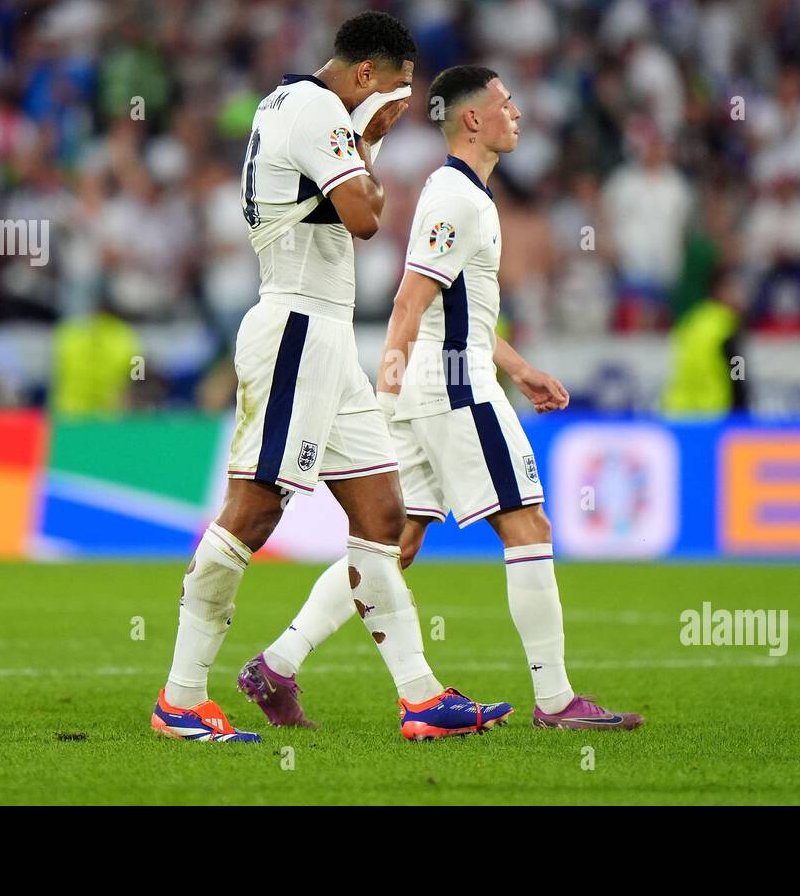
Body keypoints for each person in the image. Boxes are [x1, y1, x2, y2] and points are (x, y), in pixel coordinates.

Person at [237, 66, 644, 732]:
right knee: (528, 525)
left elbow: (455, 312)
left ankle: (278, 662)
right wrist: (386, 391)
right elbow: (409, 301)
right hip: (454, 389)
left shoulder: (456, 193)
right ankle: (556, 701)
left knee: (392, 546)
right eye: (505, 103)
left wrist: (518, 367)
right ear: (473, 120)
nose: (516, 112)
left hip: (436, 381)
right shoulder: (459, 197)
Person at [151, 14, 512, 744]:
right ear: (365, 75)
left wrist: (364, 146)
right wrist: (369, 141)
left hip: (327, 336)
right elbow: (364, 216)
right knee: (254, 509)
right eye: (398, 92)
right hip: (294, 326)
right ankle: (181, 698)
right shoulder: (318, 110)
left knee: (382, 515)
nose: (404, 106)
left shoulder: (285, 103)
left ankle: (421, 696)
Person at [663, 265, 748, 416]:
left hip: (680, 410)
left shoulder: (692, 320)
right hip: (714, 411)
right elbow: (737, 367)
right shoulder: (726, 324)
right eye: (735, 290)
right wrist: (741, 407)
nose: (739, 296)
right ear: (720, 290)